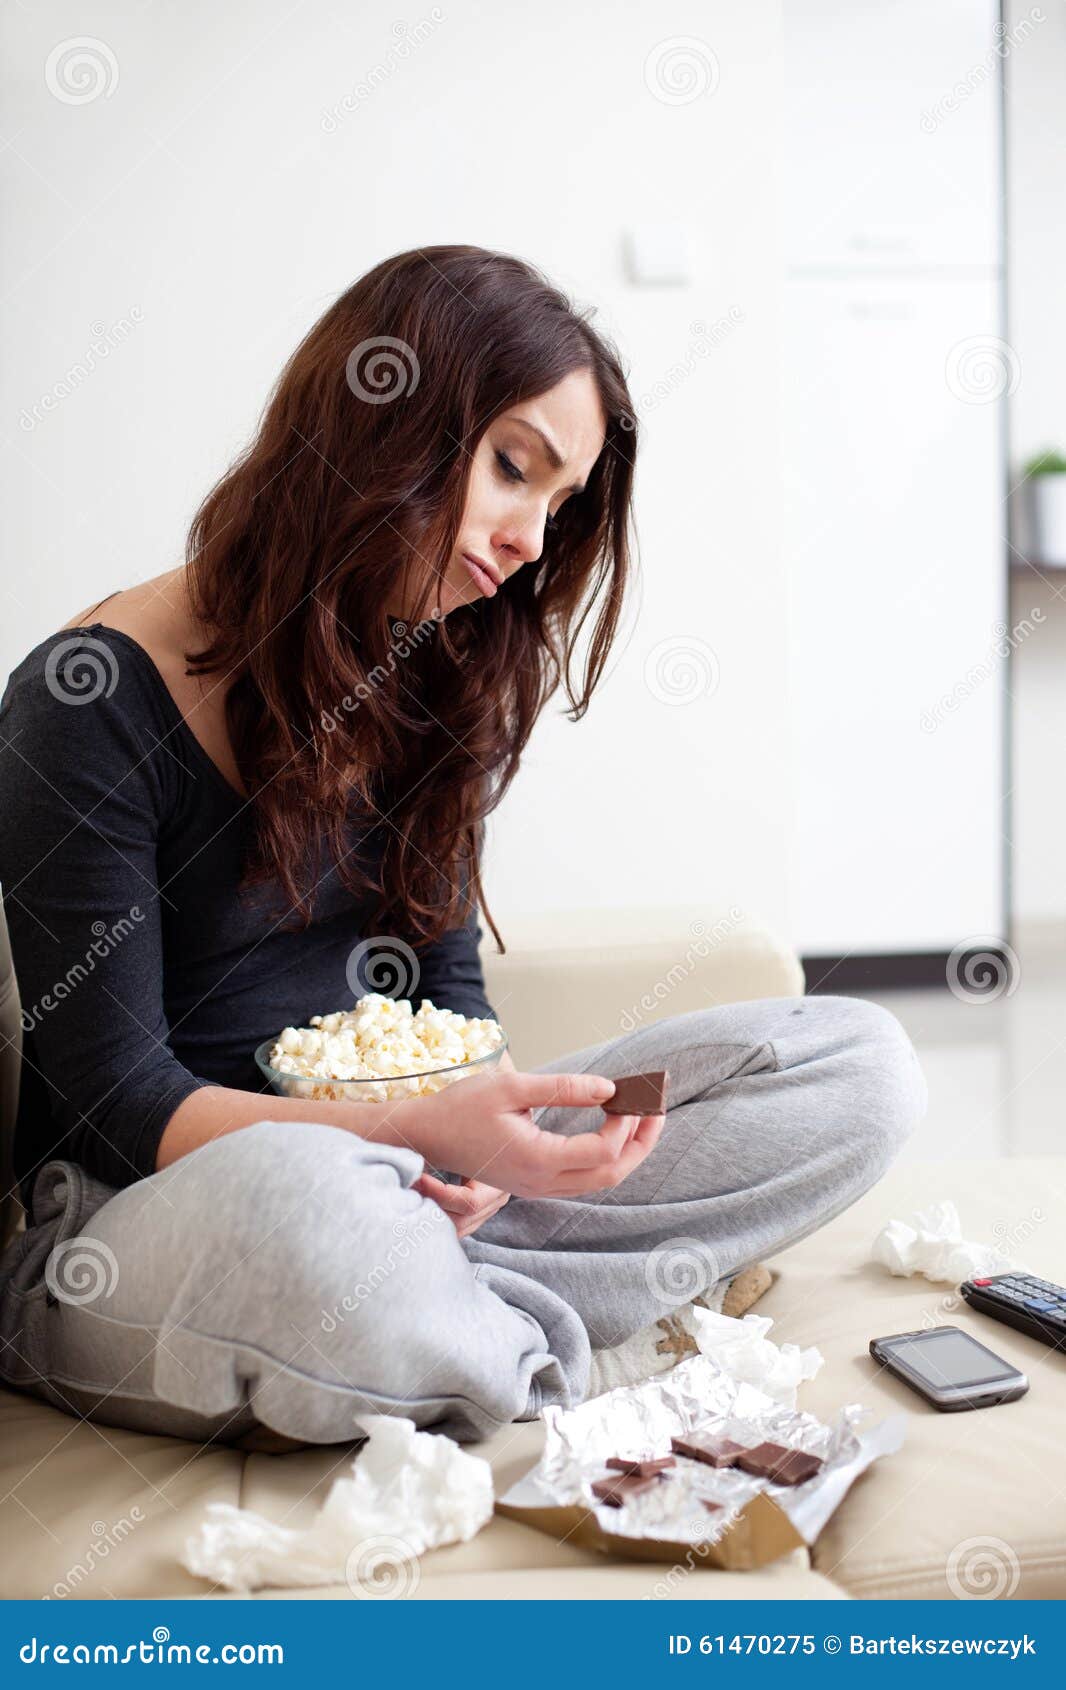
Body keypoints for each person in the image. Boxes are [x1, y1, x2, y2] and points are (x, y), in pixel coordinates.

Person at [0, 246, 928, 1449]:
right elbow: (119, 1103)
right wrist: (410, 1140)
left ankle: (454, 1323)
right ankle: (551, 1347)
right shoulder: (85, 703)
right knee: (328, 1232)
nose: (530, 543)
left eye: (558, 504)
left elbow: (440, 992)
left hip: (413, 1191)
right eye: (511, 469)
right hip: (167, 1215)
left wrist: (481, 1147)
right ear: (375, 417)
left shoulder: (432, 670)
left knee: (854, 1063)